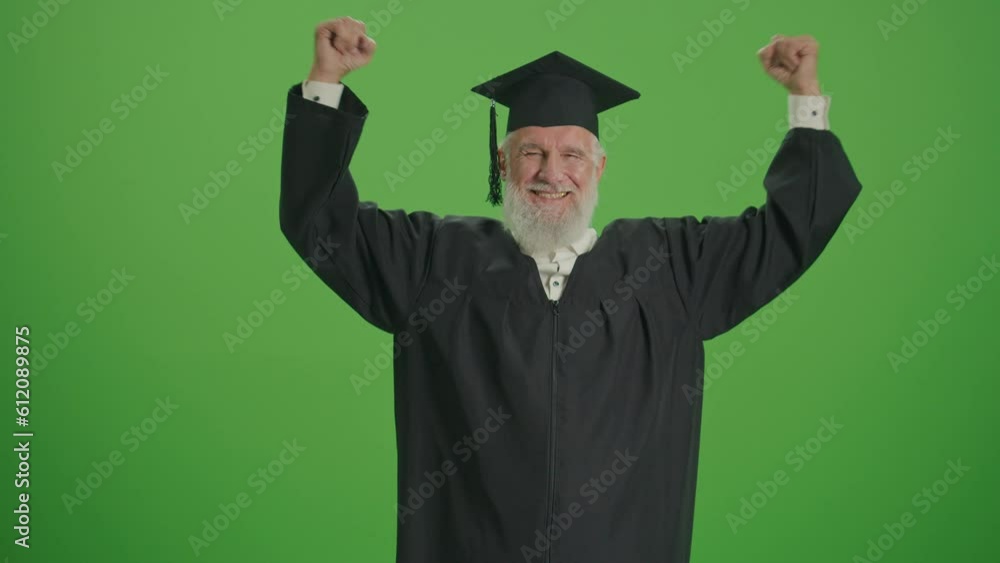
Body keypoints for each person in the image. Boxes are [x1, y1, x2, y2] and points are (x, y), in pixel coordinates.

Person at [279, 16, 862, 563]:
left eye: (572, 155)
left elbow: (790, 232)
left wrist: (803, 99)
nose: (550, 173)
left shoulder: (672, 267)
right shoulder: (434, 260)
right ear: (502, 161)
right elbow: (320, 223)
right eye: (531, 151)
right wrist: (325, 81)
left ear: (600, 168)